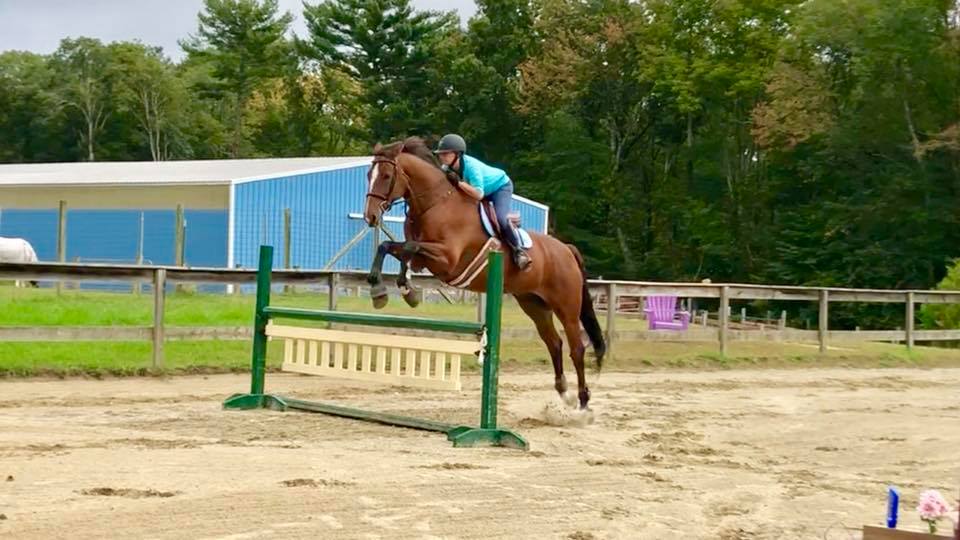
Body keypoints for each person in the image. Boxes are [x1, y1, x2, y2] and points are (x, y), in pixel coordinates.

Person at [433, 133, 532, 270]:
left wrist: (459, 183)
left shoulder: (471, 167)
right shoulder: (446, 168)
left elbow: (479, 194)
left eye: (445, 154)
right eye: (440, 154)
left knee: (500, 218)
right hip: (480, 190)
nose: (441, 157)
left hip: (499, 187)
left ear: (457, 154)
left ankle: (519, 251)